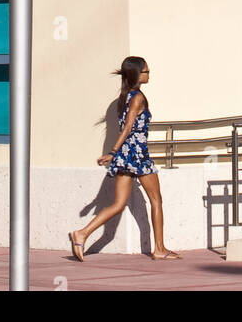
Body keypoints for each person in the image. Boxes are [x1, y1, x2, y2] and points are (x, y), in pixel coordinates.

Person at [70, 56, 181, 262]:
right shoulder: (138, 97)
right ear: (136, 74)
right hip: (138, 155)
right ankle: (159, 248)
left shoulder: (126, 96)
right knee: (156, 201)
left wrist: (115, 154)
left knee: (118, 204)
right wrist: (112, 152)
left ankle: (82, 233)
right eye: (146, 71)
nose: (149, 74)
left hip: (125, 156)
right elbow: (129, 127)